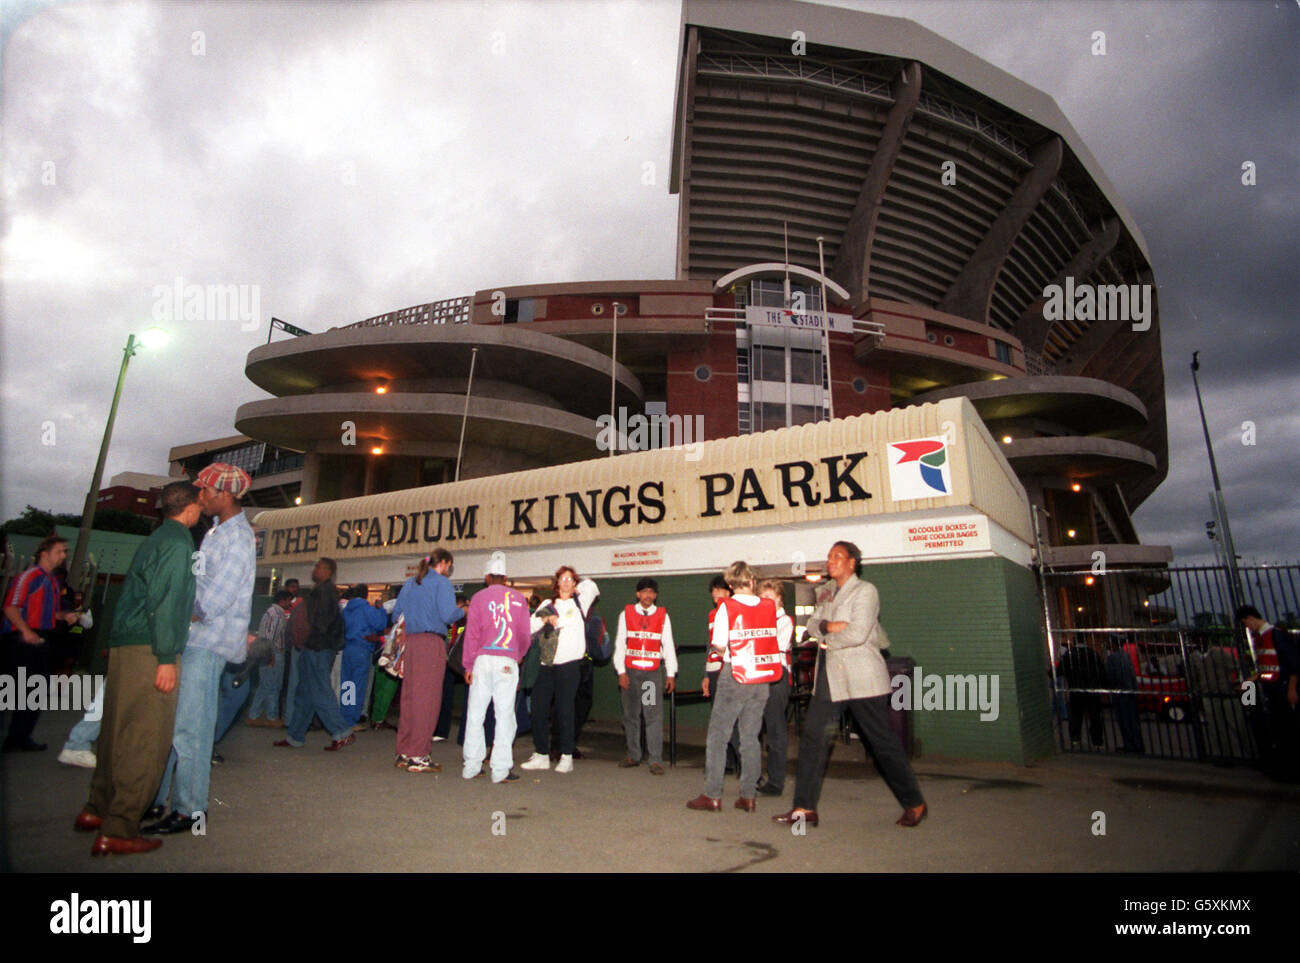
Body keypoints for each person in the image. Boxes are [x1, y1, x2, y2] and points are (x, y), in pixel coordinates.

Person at [75, 481, 202, 856]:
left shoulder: (155, 538)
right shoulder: (180, 543)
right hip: (151, 649)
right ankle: (120, 827)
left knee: (115, 732)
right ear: (191, 507)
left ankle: (96, 809)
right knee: (146, 740)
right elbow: (163, 603)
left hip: (127, 645)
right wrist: (166, 657)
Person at [774, 542, 926, 829]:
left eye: (837, 557)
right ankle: (804, 809)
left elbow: (857, 633)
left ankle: (914, 802)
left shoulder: (866, 591)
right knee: (812, 740)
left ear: (852, 563)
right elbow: (810, 625)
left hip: (861, 678)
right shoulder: (827, 592)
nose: (830, 561)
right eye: (829, 556)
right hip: (829, 677)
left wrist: (826, 631)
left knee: (882, 744)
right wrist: (829, 625)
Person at [144, 463, 256, 836]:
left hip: (206, 642)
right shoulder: (217, 531)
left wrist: (179, 608)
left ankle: (190, 810)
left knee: (191, 728)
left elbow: (216, 599)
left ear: (223, 494)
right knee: (176, 725)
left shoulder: (237, 537)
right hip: (195, 639)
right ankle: (159, 800)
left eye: (204, 491)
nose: (200, 497)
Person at [687, 561, 781, 813]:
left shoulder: (725, 608)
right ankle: (748, 795)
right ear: (752, 581)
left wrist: (726, 648)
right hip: (761, 677)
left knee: (718, 736)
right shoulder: (768, 606)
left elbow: (718, 645)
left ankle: (712, 795)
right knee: (750, 738)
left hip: (734, 674)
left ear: (730, 585)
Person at [2, 534, 79, 752]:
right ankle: (17, 737)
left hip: (40, 637)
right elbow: (10, 607)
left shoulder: (51, 580)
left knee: (34, 690)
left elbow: (49, 612)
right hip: (21, 638)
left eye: (65, 552)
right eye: (60, 551)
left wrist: (64, 617)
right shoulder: (30, 576)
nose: (64, 556)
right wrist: (26, 632)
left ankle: (18, 738)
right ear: (44, 554)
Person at [391, 549, 463, 773]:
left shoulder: (411, 583)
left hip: (409, 644)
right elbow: (447, 615)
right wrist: (462, 611)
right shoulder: (441, 583)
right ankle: (419, 754)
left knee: (410, 697)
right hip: (430, 643)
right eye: (449, 566)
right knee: (428, 700)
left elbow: (395, 616)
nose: (449, 570)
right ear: (443, 563)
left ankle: (404, 750)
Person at [461, 555, 531, 783]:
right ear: (506, 577)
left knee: (476, 713)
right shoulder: (519, 599)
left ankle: (471, 767)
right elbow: (524, 636)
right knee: (504, 715)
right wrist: (517, 657)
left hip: (482, 660)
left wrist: (468, 664)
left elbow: (471, 635)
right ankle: (500, 770)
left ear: (487, 577)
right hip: (506, 662)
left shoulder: (478, 598)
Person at [274, 558, 355, 750]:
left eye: (318, 566)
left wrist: (309, 638)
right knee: (305, 693)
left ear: (327, 571)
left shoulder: (324, 592)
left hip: (318, 648)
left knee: (319, 690)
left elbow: (321, 622)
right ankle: (295, 735)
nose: (314, 569)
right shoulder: (323, 592)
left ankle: (341, 731)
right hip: (316, 647)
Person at [520, 566, 591, 773]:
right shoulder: (547, 604)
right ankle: (542, 754)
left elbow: (592, 586)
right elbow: (530, 626)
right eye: (563, 578)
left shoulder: (580, 603)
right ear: (557, 582)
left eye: (571, 579)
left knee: (565, 709)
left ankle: (566, 756)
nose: (567, 582)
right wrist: (544, 618)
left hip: (569, 665)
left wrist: (557, 619)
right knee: (539, 708)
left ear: (575, 584)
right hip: (547, 664)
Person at [613, 576, 677, 775]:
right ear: (638, 594)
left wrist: (671, 673)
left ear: (655, 595)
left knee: (652, 716)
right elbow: (620, 644)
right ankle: (633, 755)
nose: (648, 595)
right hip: (631, 674)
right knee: (631, 715)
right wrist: (621, 672)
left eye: (651, 592)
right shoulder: (626, 614)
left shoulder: (663, 616)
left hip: (650, 675)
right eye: (644, 592)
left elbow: (668, 645)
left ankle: (655, 760)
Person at [1235, 605, 1299, 779]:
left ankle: (1291, 771)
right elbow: (1266, 668)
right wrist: (1251, 680)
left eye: (1246, 624)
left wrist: (1292, 688)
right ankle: (1284, 768)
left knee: (1288, 731)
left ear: (1251, 618)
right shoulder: (1262, 638)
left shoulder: (1275, 635)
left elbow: (1293, 664)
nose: (1247, 627)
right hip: (1273, 689)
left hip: (1283, 688)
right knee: (1280, 730)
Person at [755, 578, 794, 795]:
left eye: (769, 597)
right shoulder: (757, 619)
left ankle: (776, 782)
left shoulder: (785, 621)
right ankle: (754, 775)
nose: (765, 601)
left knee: (775, 730)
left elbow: (773, 647)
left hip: (777, 677)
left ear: (779, 599)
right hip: (758, 676)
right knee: (752, 727)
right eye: (762, 597)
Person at [340, 583, 387, 730]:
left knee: (347, 684)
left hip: (347, 648)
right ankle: (352, 720)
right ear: (366, 594)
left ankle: (344, 716)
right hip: (362, 649)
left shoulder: (346, 610)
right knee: (358, 685)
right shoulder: (367, 609)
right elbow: (380, 625)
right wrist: (381, 610)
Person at [246, 589, 293, 727]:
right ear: (282, 600)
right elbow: (271, 637)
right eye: (289, 600)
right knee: (273, 685)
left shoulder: (269, 612)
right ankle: (272, 717)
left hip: (265, 653)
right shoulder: (277, 614)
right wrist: (270, 655)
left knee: (265, 685)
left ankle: (253, 715)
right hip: (273, 653)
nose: (290, 603)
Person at [1059, 639, 1106, 749]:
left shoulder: (1070, 655)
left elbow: (1060, 670)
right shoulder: (1093, 654)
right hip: (1092, 690)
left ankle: (1075, 738)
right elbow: (1102, 671)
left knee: (1076, 715)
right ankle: (1097, 741)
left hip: (1076, 690)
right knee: (1095, 716)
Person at [1104, 635, 1144, 753]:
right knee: (1133, 719)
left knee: (1124, 720)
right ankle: (1138, 744)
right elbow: (1132, 674)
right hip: (1130, 691)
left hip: (1120, 691)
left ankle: (1129, 744)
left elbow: (1110, 675)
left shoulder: (1112, 658)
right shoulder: (1126, 656)